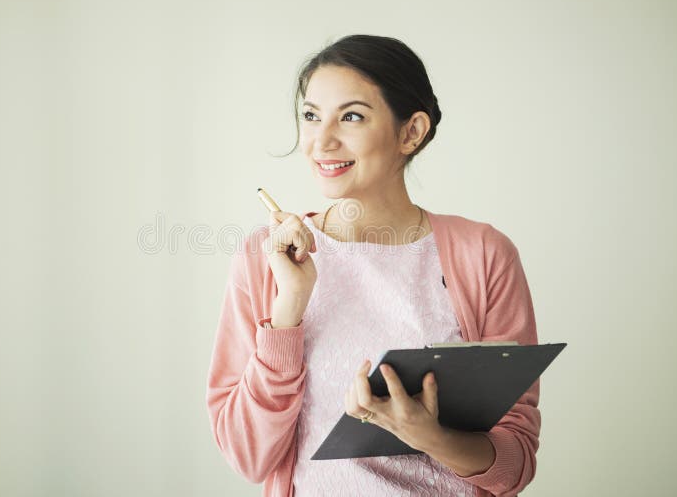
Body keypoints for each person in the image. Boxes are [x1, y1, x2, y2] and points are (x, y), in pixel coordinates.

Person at [206, 34, 540, 497]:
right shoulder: (265, 258)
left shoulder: (485, 254)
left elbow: (514, 466)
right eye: (310, 116)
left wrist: (432, 438)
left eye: (352, 116)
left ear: (412, 131)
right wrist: (288, 311)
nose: (321, 141)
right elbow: (247, 456)